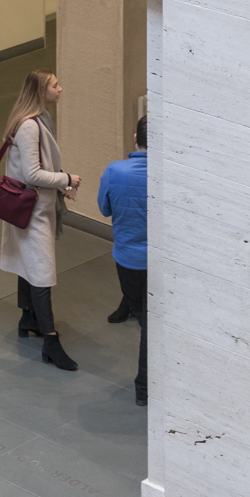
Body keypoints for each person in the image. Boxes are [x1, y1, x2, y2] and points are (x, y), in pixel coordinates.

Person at [0, 69, 82, 371]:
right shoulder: (30, 127)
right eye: (55, 85)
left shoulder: (38, 119)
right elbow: (33, 174)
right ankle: (50, 340)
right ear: (40, 91)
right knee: (42, 272)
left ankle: (28, 318)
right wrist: (66, 178)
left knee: (28, 264)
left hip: (33, 207)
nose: (61, 88)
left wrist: (62, 186)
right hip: (32, 211)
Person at [99, 115, 149, 406]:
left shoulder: (114, 171)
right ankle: (144, 387)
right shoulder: (169, 173)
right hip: (160, 261)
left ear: (135, 138)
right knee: (151, 324)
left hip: (128, 260)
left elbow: (104, 209)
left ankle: (143, 387)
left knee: (145, 317)